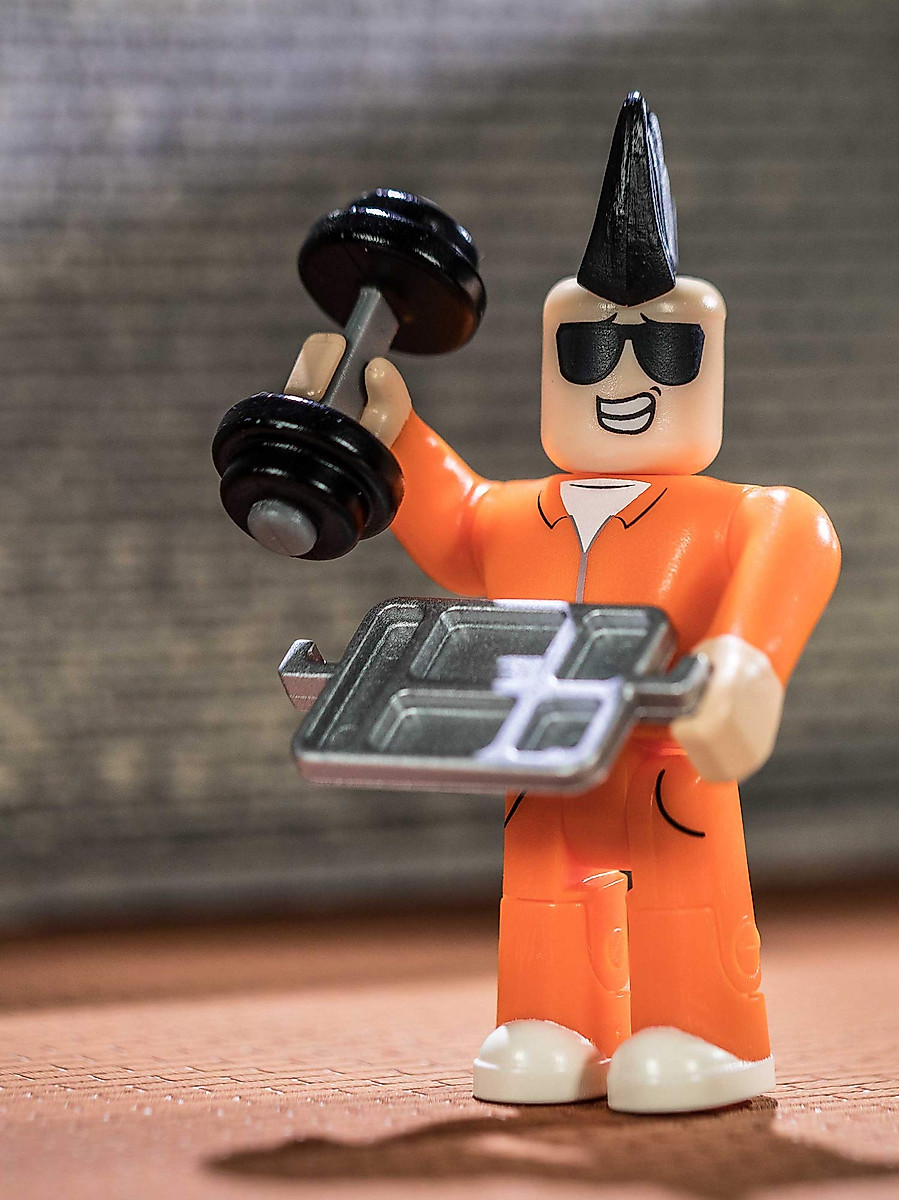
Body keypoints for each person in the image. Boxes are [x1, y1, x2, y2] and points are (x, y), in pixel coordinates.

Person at [286, 92, 840, 1113]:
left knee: (680, 884)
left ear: (707, 360)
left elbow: (796, 532)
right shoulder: (526, 514)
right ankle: (556, 1019)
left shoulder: (722, 515)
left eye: (663, 352)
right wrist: (384, 430)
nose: (622, 377)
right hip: (538, 749)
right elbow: (457, 527)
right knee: (542, 883)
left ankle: (706, 1030)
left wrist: (747, 662)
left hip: (666, 757)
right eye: (589, 350)